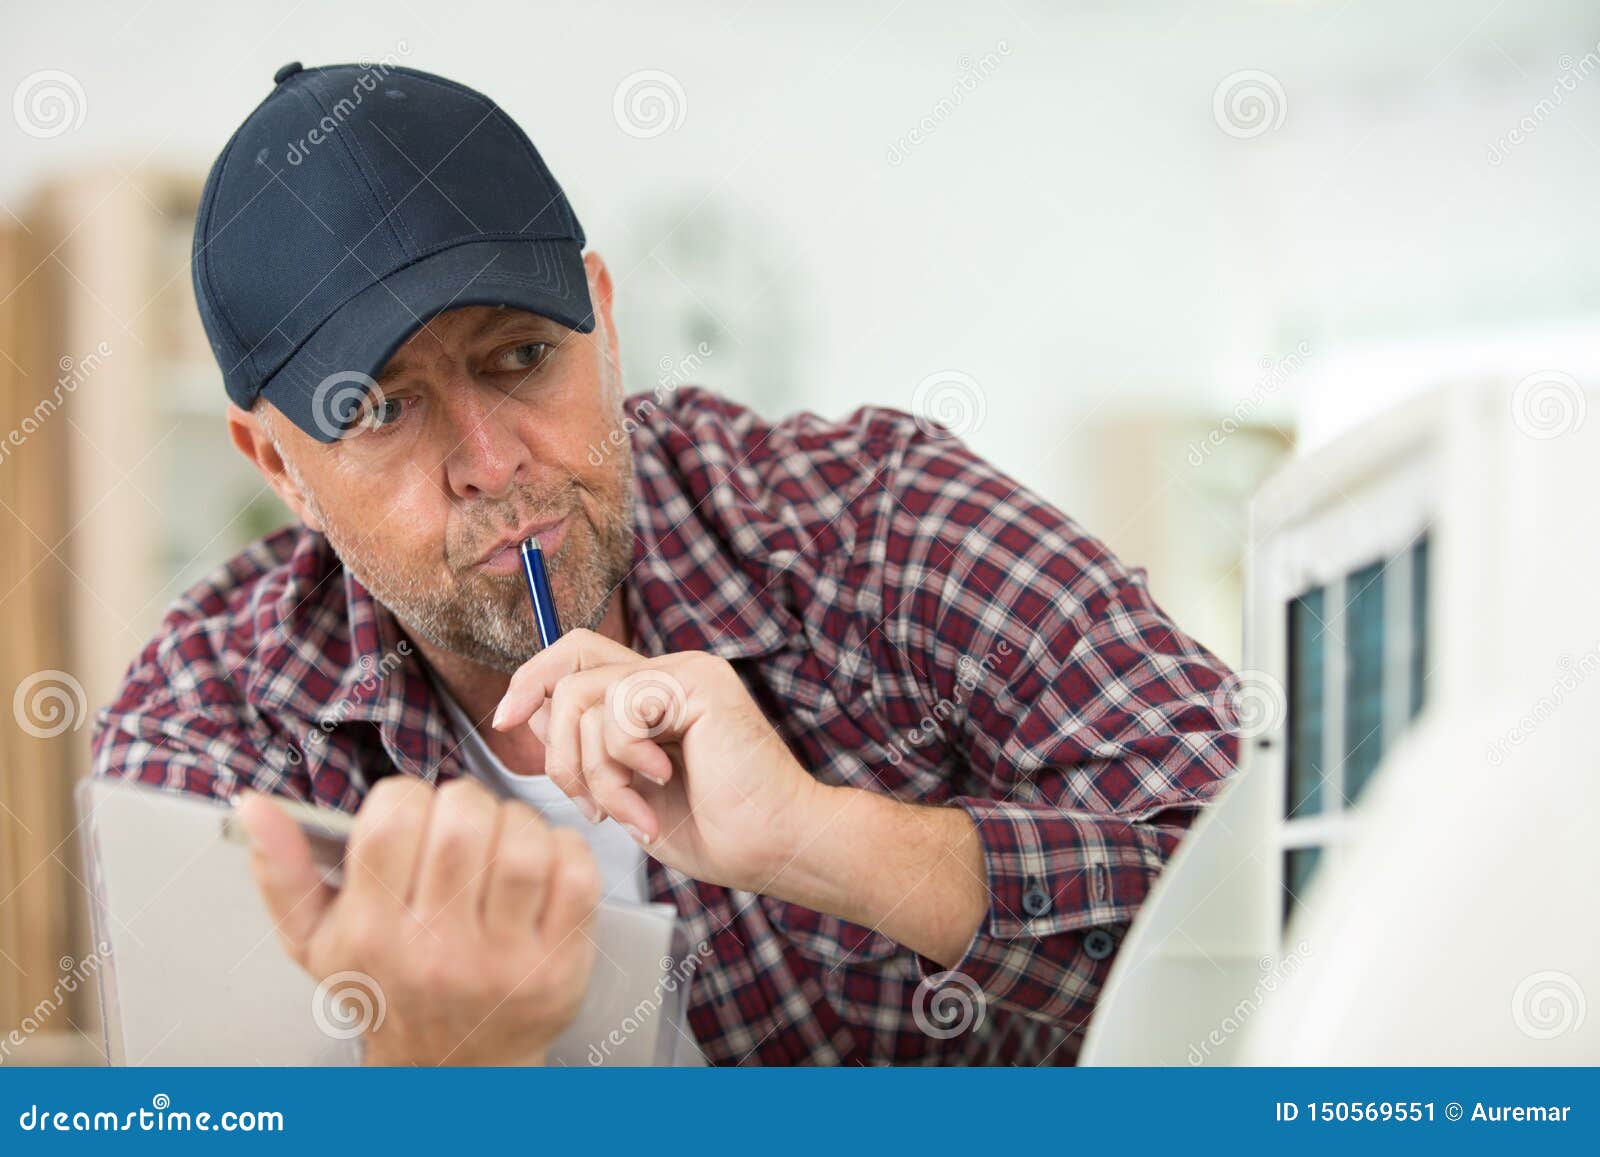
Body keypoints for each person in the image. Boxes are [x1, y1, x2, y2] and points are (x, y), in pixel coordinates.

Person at [92, 62, 1240, 1066]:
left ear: (602, 319)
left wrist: (818, 838)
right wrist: (441, 1072)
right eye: (384, 407)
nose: (491, 463)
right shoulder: (214, 721)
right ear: (280, 467)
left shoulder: (877, 522)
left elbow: (1272, 894)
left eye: (522, 354)